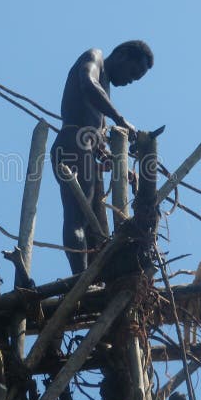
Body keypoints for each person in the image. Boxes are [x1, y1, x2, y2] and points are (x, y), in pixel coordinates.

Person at [51, 40, 154, 273]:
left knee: (90, 227)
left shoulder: (104, 91)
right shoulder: (94, 57)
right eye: (132, 73)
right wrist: (120, 119)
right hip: (72, 143)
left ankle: (90, 276)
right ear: (121, 54)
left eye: (136, 80)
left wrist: (120, 167)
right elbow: (87, 83)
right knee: (77, 218)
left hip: (83, 149)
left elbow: (98, 147)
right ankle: (81, 281)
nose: (129, 81)